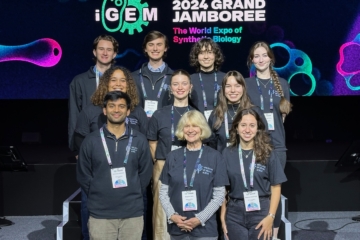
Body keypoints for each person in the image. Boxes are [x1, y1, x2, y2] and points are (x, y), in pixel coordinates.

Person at [74, 65, 148, 239]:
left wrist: (135, 187)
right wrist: (96, 188)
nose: (118, 84)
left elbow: (144, 165)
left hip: (131, 197)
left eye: (123, 80)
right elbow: (79, 141)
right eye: (113, 79)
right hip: (100, 192)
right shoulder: (91, 112)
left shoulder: (138, 112)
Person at [245, 41, 292, 239]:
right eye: (257, 56)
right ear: (252, 61)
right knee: (255, 189)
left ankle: (272, 236)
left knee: (275, 191)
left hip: (278, 146)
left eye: (264, 55)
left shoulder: (282, 83)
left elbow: (283, 116)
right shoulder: (246, 84)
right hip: (253, 144)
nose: (261, 59)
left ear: (271, 59)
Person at [159, 110, 229, 240]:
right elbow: (163, 192)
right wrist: (172, 216)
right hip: (177, 228)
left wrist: (199, 219)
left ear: (202, 129)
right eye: (186, 126)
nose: (190, 130)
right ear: (182, 130)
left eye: (195, 125)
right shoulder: (172, 157)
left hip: (205, 230)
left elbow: (219, 195)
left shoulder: (215, 157)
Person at [220, 108, 287, 240]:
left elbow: (276, 187)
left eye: (252, 125)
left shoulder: (268, 153)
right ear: (236, 128)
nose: (247, 130)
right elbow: (223, 189)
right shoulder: (227, 153)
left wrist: (271, 216)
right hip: (234, 213)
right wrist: (223, 216)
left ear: (258, 128)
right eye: (243, 125)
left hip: (261, 211)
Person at [147, 70, 198, 240]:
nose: (180, 87)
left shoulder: (197, 115)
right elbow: (152, 142)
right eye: (176, 84)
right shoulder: (159, 114)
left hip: (191, 167)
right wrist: (162, 163)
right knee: (161, 212)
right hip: (163, 167)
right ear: (170, 88)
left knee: (189, 207)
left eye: (184, 83)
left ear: (190, 87)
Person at [68, 35, 118, 154]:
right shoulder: (80, 81)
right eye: (101, 49)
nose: (105, 53)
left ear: (114, 54)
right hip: (89, 142)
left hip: (118, 141)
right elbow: (74, 115)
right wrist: (75, 148)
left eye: (109, 50)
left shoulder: (122, 80)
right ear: (94, 52)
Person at [208, 71, 268, 152]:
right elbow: (212, 145)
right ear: (223, 89)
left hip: (249, 161)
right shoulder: (216, 114)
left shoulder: (255, 112)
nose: (233, 90)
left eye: (237, 86)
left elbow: (264, 138)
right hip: (223, 162)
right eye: (228, 86)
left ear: (243, 88)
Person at [132, 30, 174, 117]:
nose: (155, 48)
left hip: (165, 127)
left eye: (159, 44)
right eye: (151, 45)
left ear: (165, 48)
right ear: (145, 48)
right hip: (140, 127)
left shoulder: (174, 77)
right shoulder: (133, 77)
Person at [189, 38, 226, 121]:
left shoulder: (225, 78)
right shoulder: (190, 80)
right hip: (197, 125)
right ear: (196, 56)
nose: (206, 57)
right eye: (201, 53)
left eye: (209, 52)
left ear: (215, 55)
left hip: (221, 123)